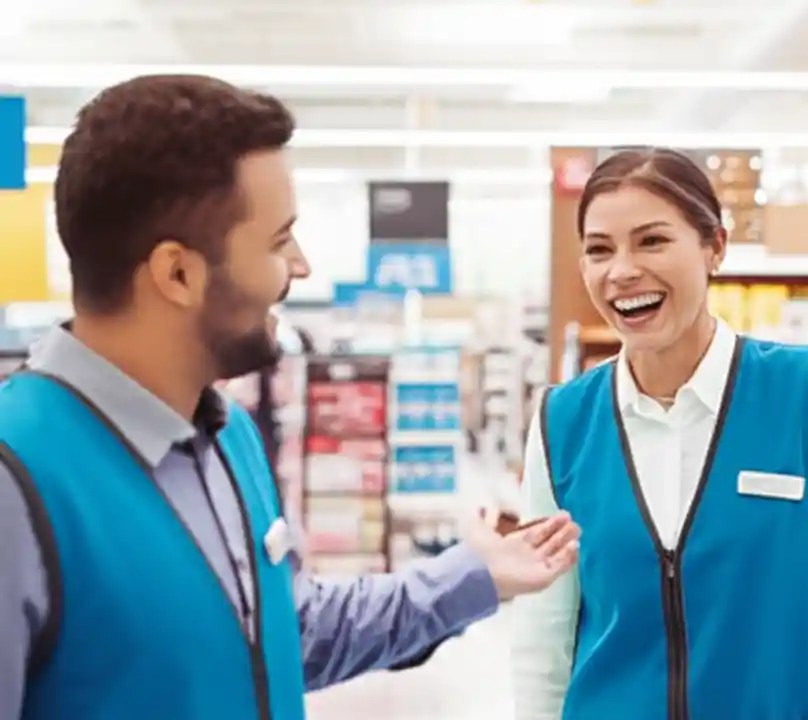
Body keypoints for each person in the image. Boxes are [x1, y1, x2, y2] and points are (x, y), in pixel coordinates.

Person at [0, 74, 580, 720]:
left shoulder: (226, 439)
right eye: (279, 241)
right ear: (178, 273)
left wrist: (472, 576)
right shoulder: (17, 479)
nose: (301, 267)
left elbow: (277, 637)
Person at [510, 147, 808, 719]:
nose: (623, 271)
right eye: (599, 250)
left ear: (715, 247)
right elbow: (544, 637)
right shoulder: (561, 423)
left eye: (653, 241)